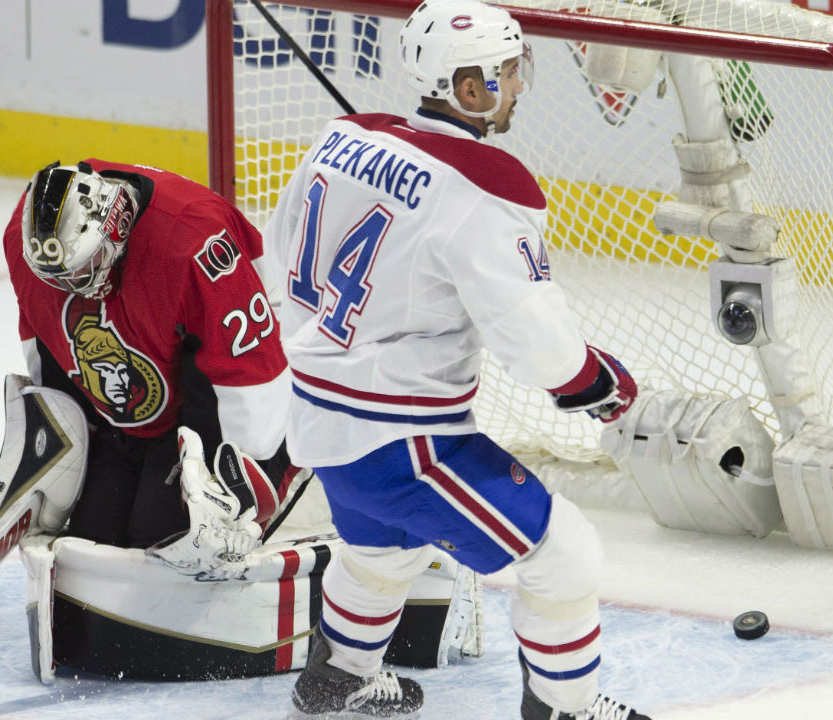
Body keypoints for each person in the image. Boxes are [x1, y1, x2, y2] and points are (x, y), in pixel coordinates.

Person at [260, 1, 649, 718]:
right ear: (469, 90)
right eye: (507, 72)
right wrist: (591, 379)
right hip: (403, 441)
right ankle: (567, 709)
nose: (519, 84)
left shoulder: (340, 138)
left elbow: (278, 258)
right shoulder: (485, 188)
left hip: (317, 416)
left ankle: (339, 677)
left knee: (382, 552)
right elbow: (536, 343)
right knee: (564, 553)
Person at [0, 158, 293, 553]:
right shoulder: (36, 247)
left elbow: (252, 367)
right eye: (60, 278)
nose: (73, 287)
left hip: (213, 385)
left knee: (163, 539)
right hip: (137, 399)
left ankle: (293, 461)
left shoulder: (194, 243)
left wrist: (250, 472)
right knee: (90, 541)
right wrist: (57, 441)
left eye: (84, 268)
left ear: (116, 226)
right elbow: (49, 345)